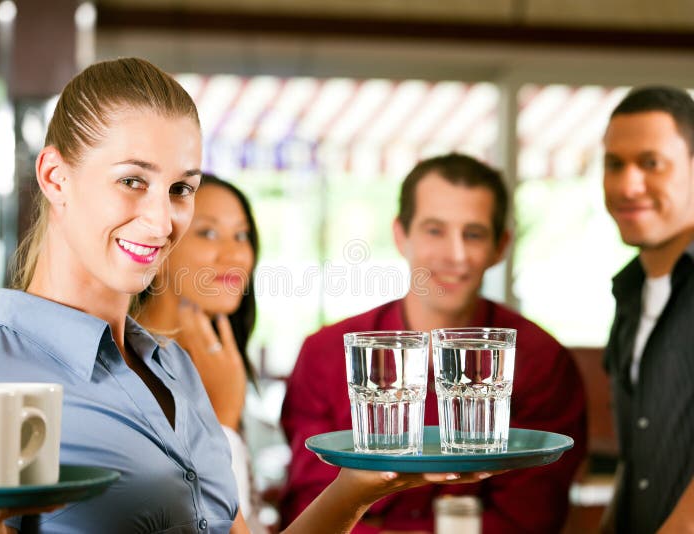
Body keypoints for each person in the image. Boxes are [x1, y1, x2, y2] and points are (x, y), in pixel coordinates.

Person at [0, 58, 481, 534]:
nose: (160, 220)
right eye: (132, 181)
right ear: (55, 178)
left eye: (180, 189)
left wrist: (358, 487)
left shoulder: (174, 367)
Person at [279, 153, 588, 534]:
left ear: (500, 246)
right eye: (434, 230)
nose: (454, 256)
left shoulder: (542, 360)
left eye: (473, 234)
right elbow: (308, 505)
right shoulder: (326, 353)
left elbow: (529, 520)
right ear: (400, 235)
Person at [132, 173, 265, 532]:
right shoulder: (131, 365)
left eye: (242, 236)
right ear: (158, 244)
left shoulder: (216, 359)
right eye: (208, 233)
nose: (234, 253)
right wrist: (222, 423)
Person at [600, 86, 694, 534]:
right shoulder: (630, 292)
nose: (626, 185)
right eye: (614, 164)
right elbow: (635, 458)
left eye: (651, 163)